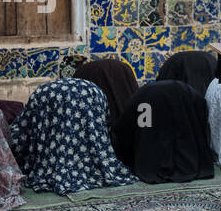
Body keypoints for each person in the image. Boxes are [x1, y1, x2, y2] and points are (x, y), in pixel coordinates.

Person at [8, 79, 136, 195]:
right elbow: (106, 125)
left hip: (45, 163)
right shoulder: (93, 91)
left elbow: (23, 129)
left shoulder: (45, 92)